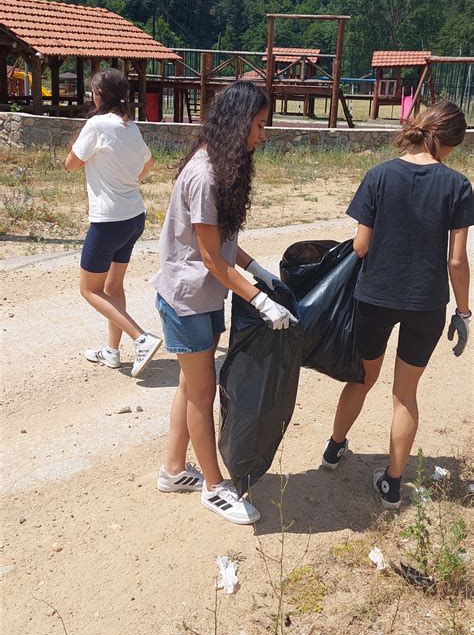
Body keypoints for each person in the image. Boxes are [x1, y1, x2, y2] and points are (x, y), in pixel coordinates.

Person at [151, 80, 296, 525]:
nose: (262, 135)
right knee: (202, 393)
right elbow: (213, 260)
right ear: (238, 125)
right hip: (187, 299)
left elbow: (225, 244)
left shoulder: (221, 168)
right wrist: (261, 300)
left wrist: (259, 271)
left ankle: (174, 471)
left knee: (190, 386)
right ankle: (215, 488)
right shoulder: (204, 175)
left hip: (207, 294)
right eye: (258, 125)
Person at [321, 101, 473, 509]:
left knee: (361, 380)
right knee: (405, 395)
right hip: (426, 303)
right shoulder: (457, 186)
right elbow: (456, 261)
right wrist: (463, 312)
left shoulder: (379, 175)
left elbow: (361, 245)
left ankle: (334, 450)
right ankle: (391, 483)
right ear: (450, 142)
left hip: (376, 297)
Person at [65, 68, 162, 378]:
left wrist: (79, 141)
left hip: (109, 221)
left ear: (98, 96)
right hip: (134, 216)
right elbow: (149, 162)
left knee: (89, 290)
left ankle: (141, 338)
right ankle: (112, 351)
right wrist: (132, 180)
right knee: (112, 285)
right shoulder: (129, 126)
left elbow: (71, 164)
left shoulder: (96, 125)